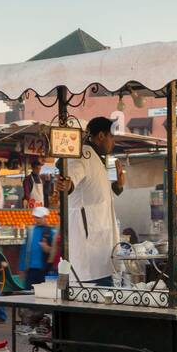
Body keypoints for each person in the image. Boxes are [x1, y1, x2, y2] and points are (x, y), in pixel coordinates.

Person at [52, 116, 123, 286]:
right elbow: (73, 178)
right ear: (100, 136)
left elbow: (96, 195)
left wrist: (118, 187)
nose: (113, 142)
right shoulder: (83, 155)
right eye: (111, 137)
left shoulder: (96, 158)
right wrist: (66, 184)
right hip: (89, 253)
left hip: (101, 250)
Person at [19, 205, 56, 285]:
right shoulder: (31, 230)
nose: (36, 220)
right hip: (31, 269)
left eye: (39, 217)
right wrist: (22, 268)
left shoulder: (51, 232)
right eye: (35, 217)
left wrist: (47, 248)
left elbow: (55, 250)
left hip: (44, 269)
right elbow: (24, 250)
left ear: (46, 217)